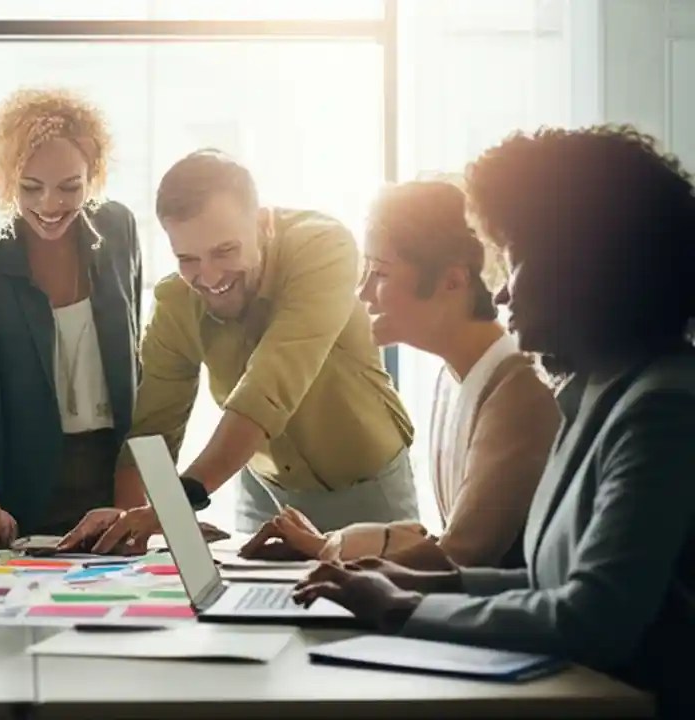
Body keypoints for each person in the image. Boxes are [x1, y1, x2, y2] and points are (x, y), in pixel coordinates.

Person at [291, 126, 695, 717]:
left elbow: (591, 617)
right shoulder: (595, 393)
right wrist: (415, 586)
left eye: (515, 262)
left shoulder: (661, 409)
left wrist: (401, 608)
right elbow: (543, 581)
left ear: (585, 268)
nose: (501, 293)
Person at [59, 149, 416, 554]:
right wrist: (125, 522)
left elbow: (268, 386)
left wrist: (177, 503)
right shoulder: (177, 301)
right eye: (188, 258)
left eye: (225, 251)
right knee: (255, 609)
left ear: (262, 224)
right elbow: (153, 430)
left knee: (375, 606)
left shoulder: (323, 247)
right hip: (263, 491)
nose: (208, 277)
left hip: (366, 488)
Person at [240, 181, 559, 570]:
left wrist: (330, 552)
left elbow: (460, 559)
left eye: (380, 273)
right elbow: (447, 541)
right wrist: (325, 544)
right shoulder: (454, 378)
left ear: (452, 281)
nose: (363, 293)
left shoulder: (516, 394)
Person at [0, 88, 142, 549]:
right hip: (16, 499)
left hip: (112, 484)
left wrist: (132, 508)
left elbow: (136, 372)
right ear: (6, 180)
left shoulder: (118, 232)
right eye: (31, 188)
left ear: (94, 176)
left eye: (70, 186)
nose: (50, 205)